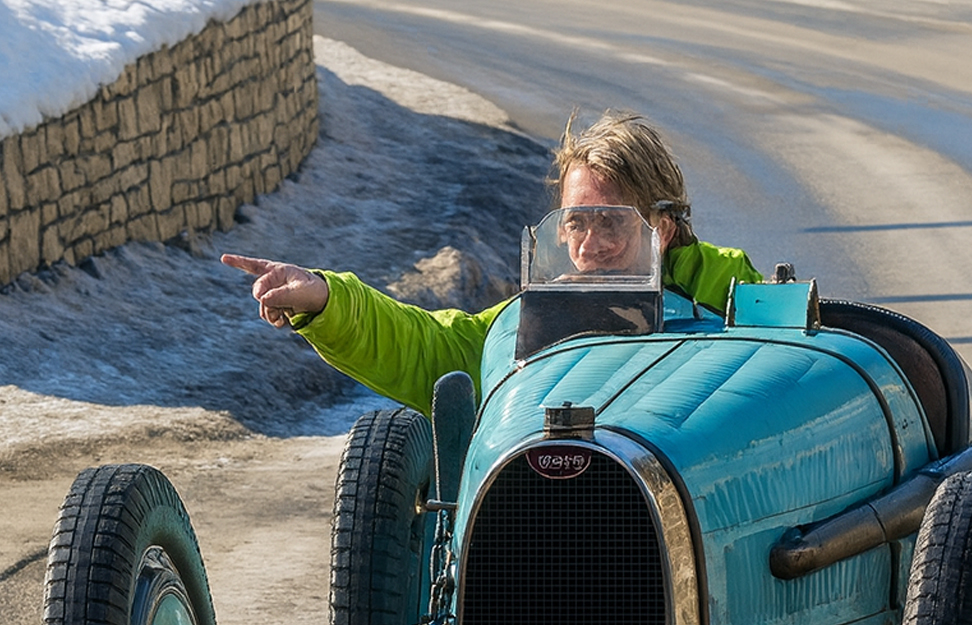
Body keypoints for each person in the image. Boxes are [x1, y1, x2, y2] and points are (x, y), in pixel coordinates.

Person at [221, 111, 760, 415]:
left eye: (612, 222)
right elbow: (434, 347)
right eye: (575, 223)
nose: (589, 246)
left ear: (662, 229)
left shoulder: (731, 292)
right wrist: (326, 298)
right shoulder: (544, 312)